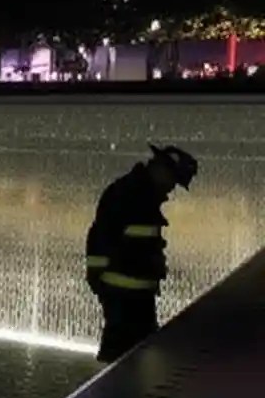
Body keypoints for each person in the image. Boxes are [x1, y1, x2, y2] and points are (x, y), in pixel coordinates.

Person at [85, 144, 199, 363]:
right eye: (173, 181)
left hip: (137, 296)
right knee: (119, 355)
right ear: (161, 170)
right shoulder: (127, 194)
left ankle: (116, 393)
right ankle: (109, 395)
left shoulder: (142, 195)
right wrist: (101, 283)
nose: (171, 189)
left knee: (131, 356)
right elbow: (100, 237)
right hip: (123, 296)